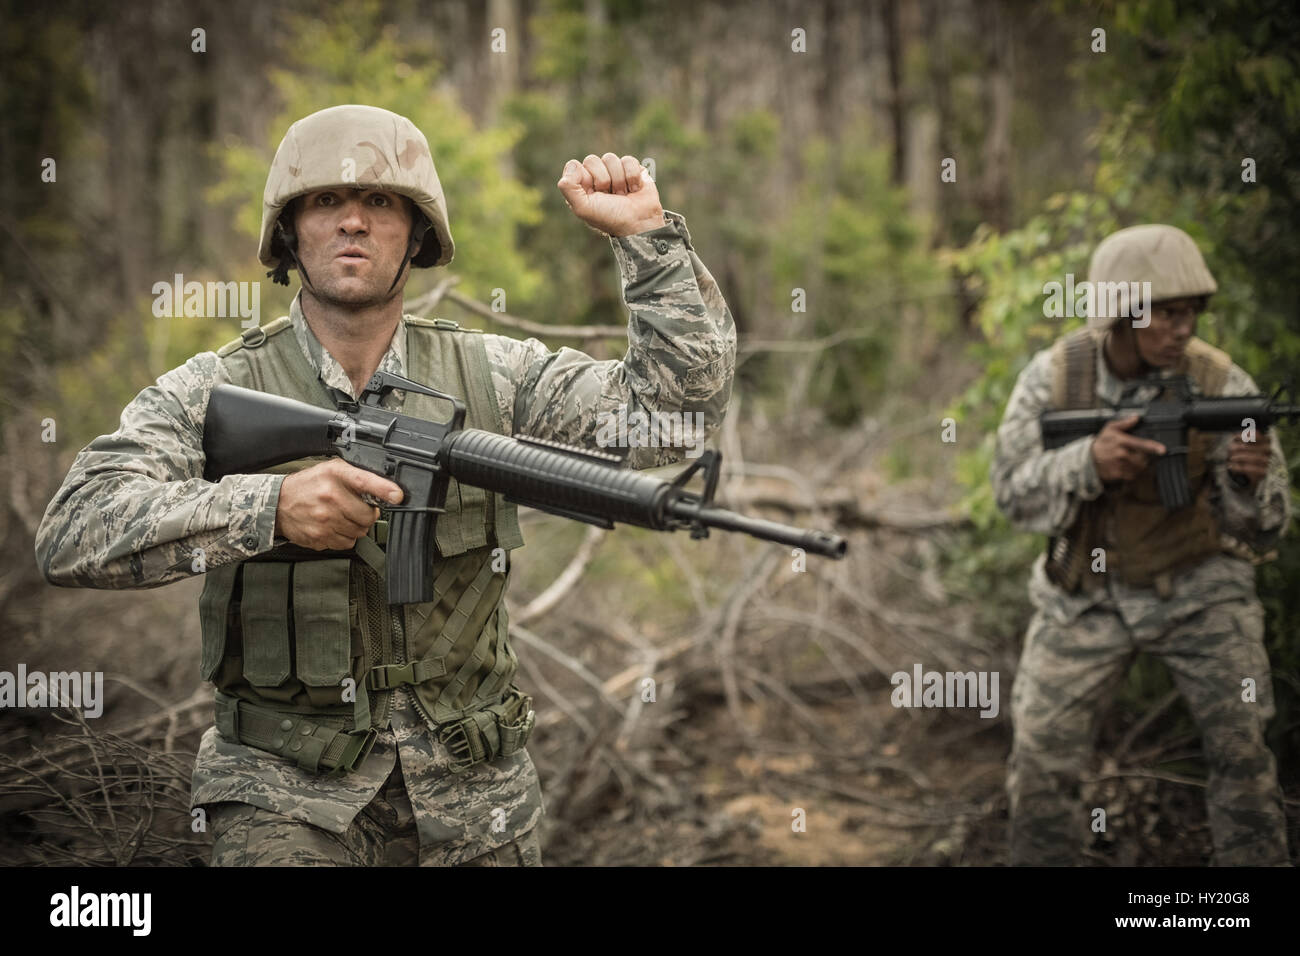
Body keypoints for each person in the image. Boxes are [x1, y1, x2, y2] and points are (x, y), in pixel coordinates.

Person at [35, 104, 736, 866]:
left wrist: (646, 241)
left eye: (379, 201)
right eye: (325, 200)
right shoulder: (214, 389)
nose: (353, 222)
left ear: (418, 234)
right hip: (284, 791)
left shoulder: (495, 376)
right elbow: (73, 530)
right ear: (289, 232)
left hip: (477, 795)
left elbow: (670, 420)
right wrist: (271, 507)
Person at [992, 223, 1291, 866]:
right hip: (1086, 593)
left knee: (1243, 757)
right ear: (1119, 314)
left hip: (1199, 587)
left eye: (1191, 312)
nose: (1183, 329)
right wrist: (1087, 464)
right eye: (1165, 313)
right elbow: (1010, 492)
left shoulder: (1223, 384)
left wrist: (1246, 483)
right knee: (1041, 763)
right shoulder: (1055, 379)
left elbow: (1268, 529)